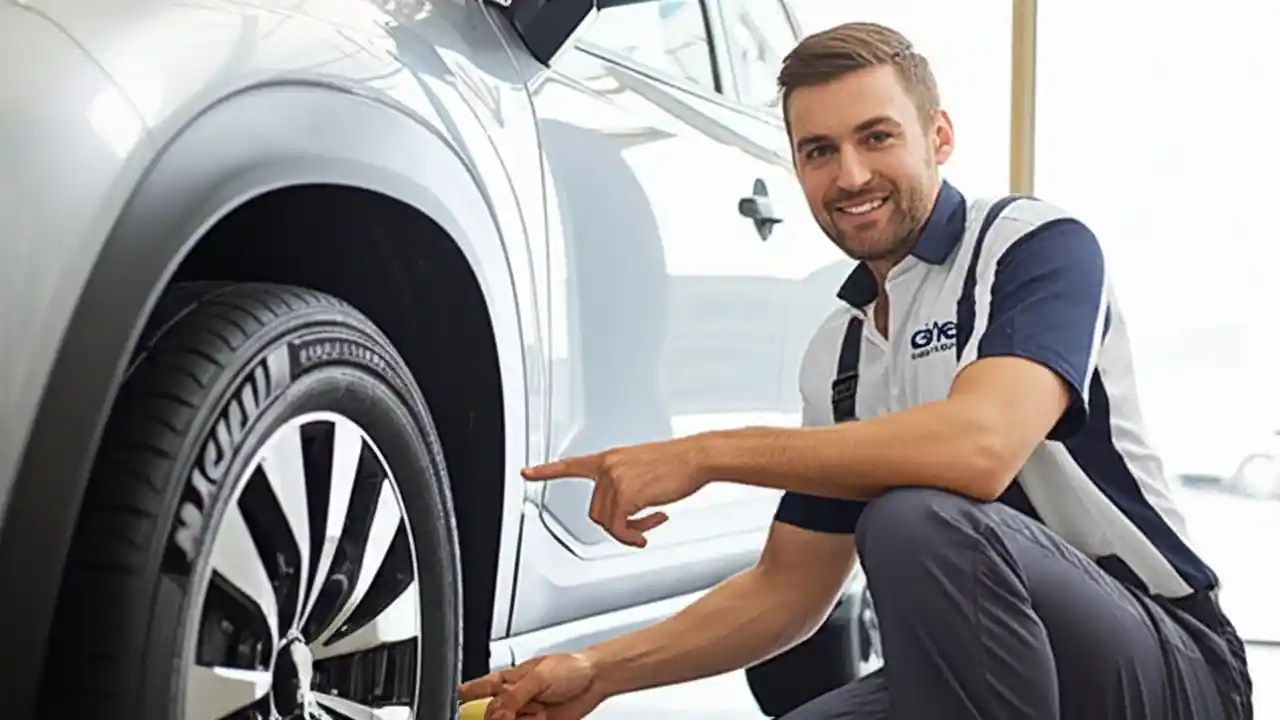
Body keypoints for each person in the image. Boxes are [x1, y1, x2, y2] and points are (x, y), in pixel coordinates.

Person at [459, 21, 1254, 720]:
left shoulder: (1032, 246)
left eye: (877, 137)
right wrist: (597, 670)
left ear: (938, 137)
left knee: (912, 520)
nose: (850, 176)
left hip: (1160, 664)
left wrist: (704, 454)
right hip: (977, 672)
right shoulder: (839, 356)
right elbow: (787, 591)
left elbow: (979, 450)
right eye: (819, 151)